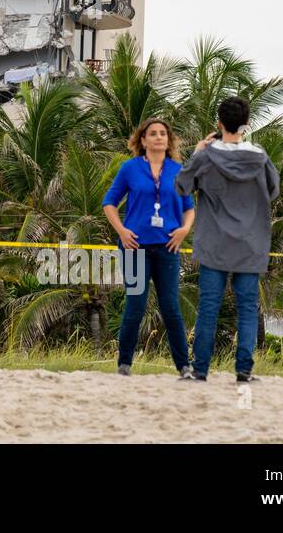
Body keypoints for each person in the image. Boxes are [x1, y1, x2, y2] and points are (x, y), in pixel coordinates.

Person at [176, 96, 280, 383]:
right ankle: (244, 369)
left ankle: (200, 370)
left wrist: (197, 152)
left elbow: (182, 186)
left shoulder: (206, 157)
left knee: (209, 307)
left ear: (219, 123)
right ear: (246, 124)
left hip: (214, 244)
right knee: (247, 308)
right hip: (251, 243)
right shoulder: (260, 157)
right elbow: (273, 191)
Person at [102, 118, 197, 379]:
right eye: (152, 134)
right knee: (136, 305)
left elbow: (190, 209)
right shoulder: (129, 169)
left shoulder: (178, 171)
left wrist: (184, 229)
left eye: (163, 133)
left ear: (169, 140)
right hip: (134, 246)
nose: (158, 137)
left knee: (171, 307)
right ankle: (124, 364)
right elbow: (109, 203)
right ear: (142, 140)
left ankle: (184, 366)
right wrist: (121, 231)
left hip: (168, 246)